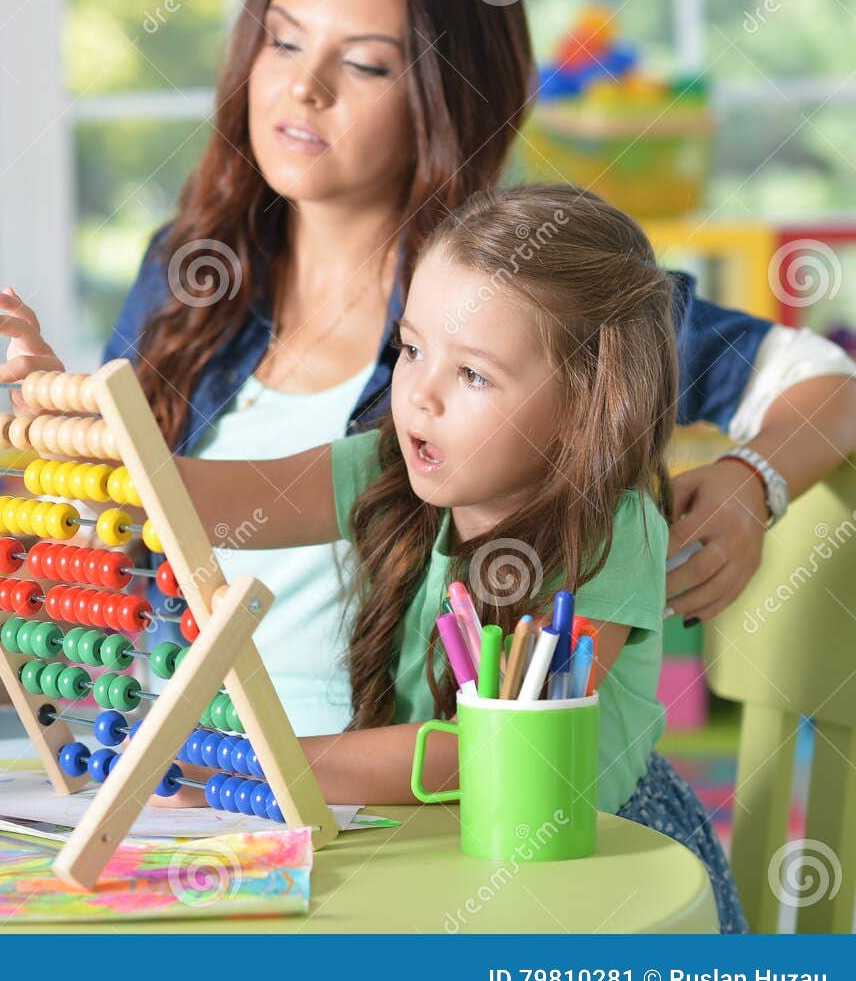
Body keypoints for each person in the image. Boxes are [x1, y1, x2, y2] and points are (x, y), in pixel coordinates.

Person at [0, 0, 856, 773]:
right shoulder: (187, 272)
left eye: (363, 65)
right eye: (282, 42)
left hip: (386, 796)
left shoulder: (517, 295)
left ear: (443, 100)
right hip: (181, 769)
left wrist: (749, 482)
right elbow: (118, 549)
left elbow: (830, 383)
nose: (302, 88)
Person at [150, 183, 745, 929]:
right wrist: (77, 422)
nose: (419, 396)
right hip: (438, 850)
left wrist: (262, 757)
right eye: (411, 348)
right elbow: (209, 498)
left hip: (595, 879)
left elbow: (489, 755)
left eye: (472, 374)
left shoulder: (612, 533)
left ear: (586, 406)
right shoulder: (386, 471)